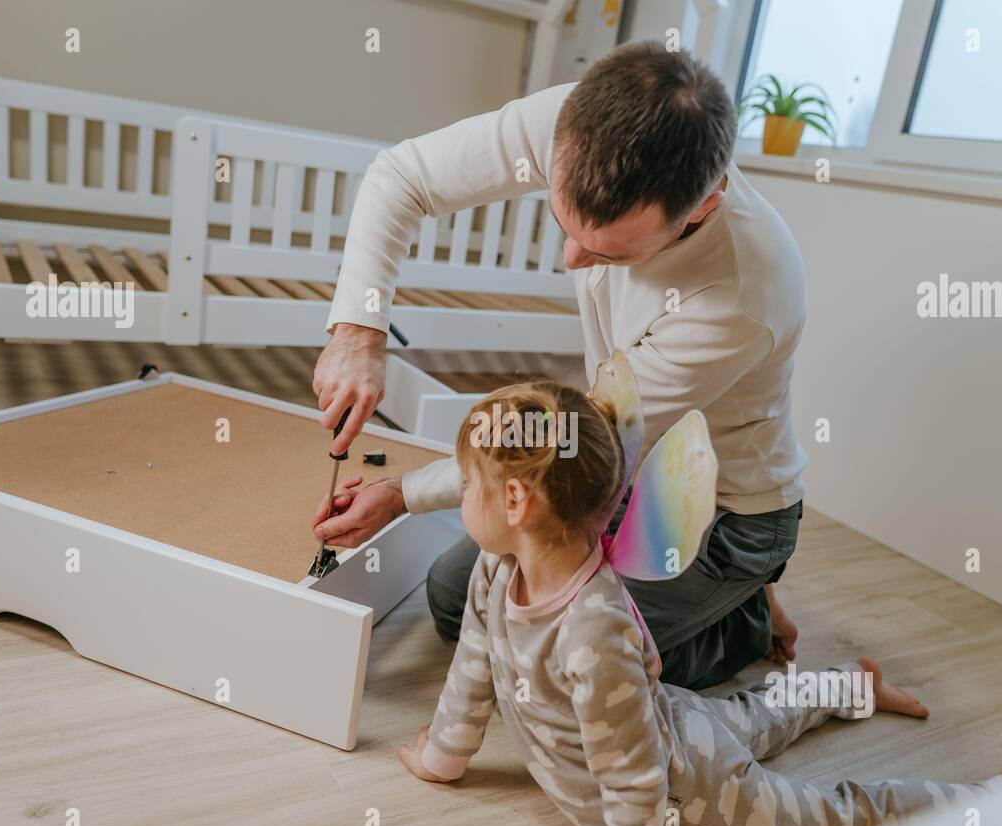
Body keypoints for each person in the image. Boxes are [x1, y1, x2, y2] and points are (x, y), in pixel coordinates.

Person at [313, 41, 807, 689]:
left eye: (608, 251)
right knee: (455, 601)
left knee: (554, 671)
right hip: (622, 469)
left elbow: (580, 438)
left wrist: (402, 492)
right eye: (562, 221)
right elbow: (400, 175)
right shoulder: (573, 119)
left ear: (701, 210)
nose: (571, 260)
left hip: (720, 512)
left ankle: (739, 615)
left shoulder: (743, 293)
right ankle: (705, 605)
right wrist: (358, 329)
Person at [391, 381, 999, 826]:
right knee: (755, 713)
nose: (464, 493)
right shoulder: (495, 569)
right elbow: (474, 663)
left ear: (517, 502)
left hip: (689, 790)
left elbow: (635, 780)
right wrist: (445, 753)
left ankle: (988, 802)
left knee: (829, 825)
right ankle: (851, 684)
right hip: (675, 717)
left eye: (469, 484)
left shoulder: (591, 633)